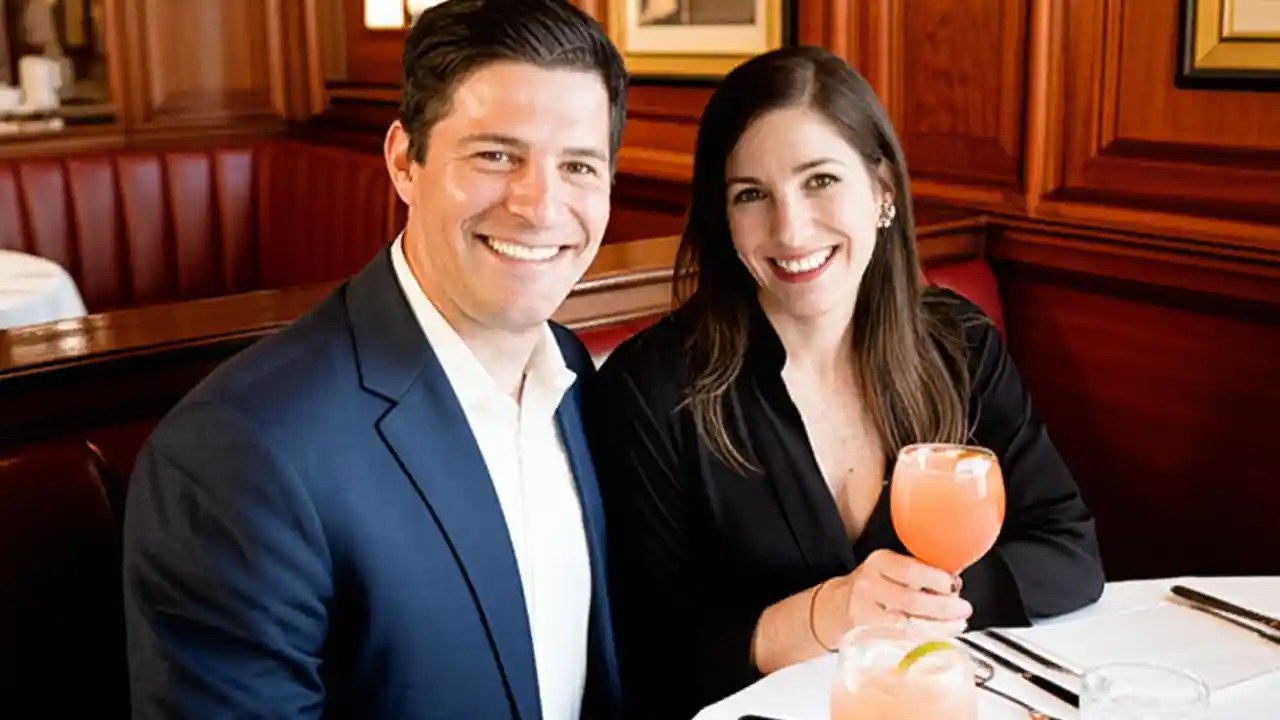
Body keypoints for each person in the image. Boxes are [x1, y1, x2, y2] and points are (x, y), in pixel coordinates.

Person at [122, 1, 627, 717]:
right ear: (403, 161)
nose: (541, 206)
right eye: (495, 155)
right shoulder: (238, 452)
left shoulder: (576, 376)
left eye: (577, 165)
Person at [586, 45, 1104, 719]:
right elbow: (643, 661)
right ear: (725, 221)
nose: (791, 228)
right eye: (751, 195)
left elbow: (1070, 552)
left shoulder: (958, 344)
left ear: (882, 191)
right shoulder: (652, 389)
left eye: (820, 180)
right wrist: (823, 614)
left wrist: (911, 605)